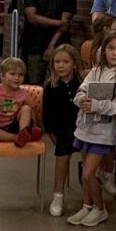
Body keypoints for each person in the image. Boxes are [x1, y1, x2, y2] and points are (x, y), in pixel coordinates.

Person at [68, 27, 116, 228]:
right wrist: (81, 100)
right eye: (111, 48)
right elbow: (82, 89)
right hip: (85, 126)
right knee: (84, 174)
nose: (115, 53)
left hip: (103, 132)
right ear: (104, 49)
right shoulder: (97, 70)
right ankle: (87, 205)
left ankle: (100, 208)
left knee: (89, 174)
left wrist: (97, 105)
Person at [20, 0, 77, 85]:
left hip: (59, 47)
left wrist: (52, 46)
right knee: (34, 85)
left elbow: (65, 24)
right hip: (33, 45)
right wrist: (58, 22)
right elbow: (32, 17)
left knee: (58, 84)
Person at [43, 44, 81, 217]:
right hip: (63, 129)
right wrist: (51, 131)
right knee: (62, 157)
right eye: (57, 61)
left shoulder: (81, 84)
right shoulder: (50, 86)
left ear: (74, 63)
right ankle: (58, 196)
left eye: (65, 61)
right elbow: (47, 113)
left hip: (82, 127)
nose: (61, 65)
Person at [0, 58, 40, 145]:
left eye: (21, 75)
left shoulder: (24, 94)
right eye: (12, 74)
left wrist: (35, 127)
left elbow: (32, 111)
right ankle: (17, 138)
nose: (17, 78)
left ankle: (24, 133)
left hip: (12, 126)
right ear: (3, 76)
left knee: (26, 108)